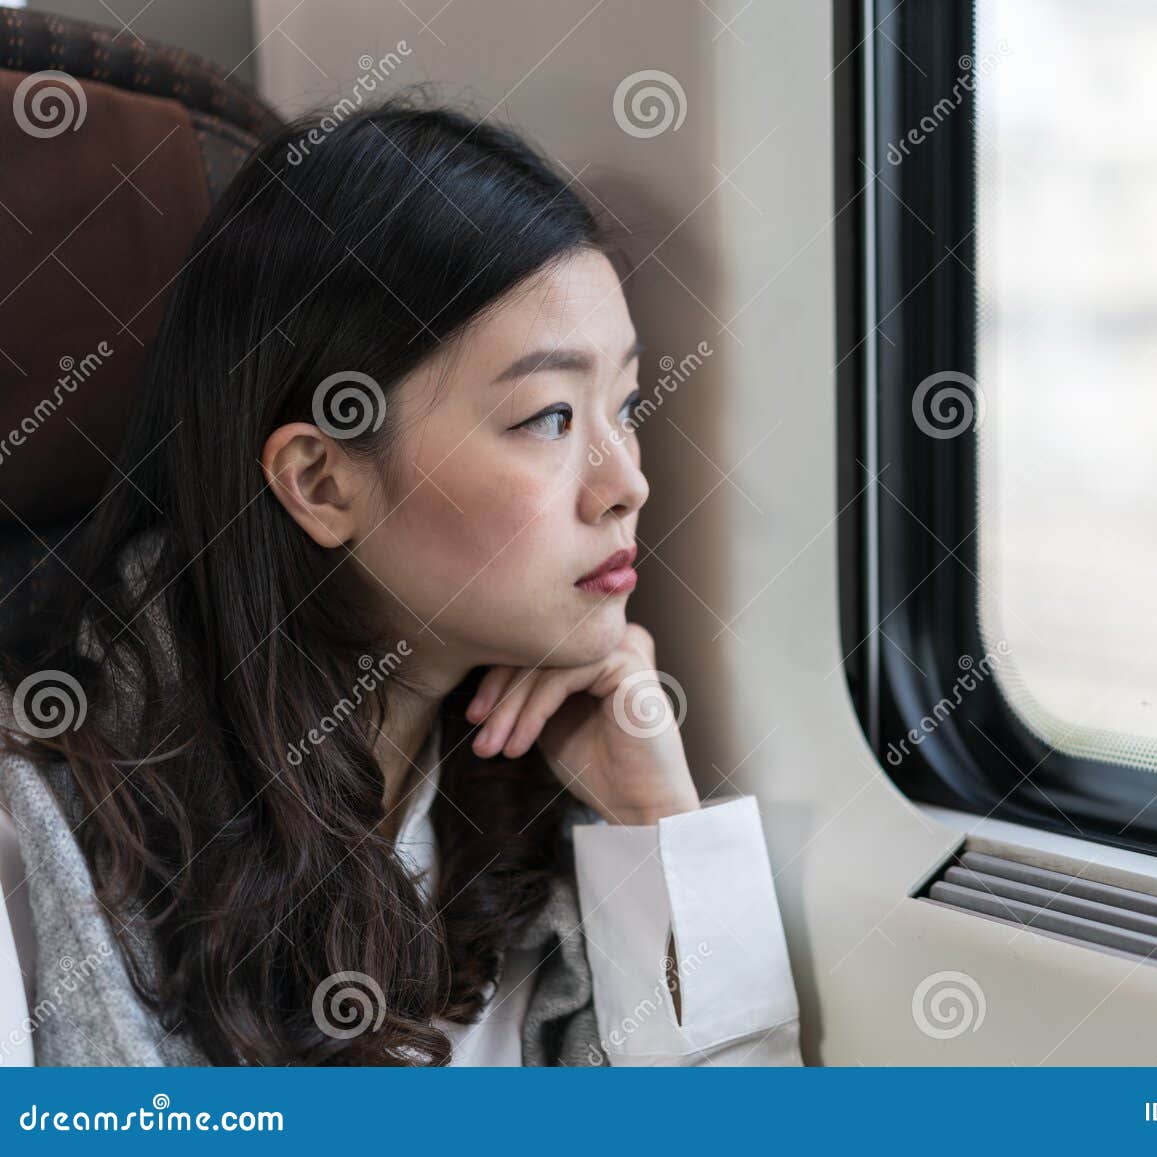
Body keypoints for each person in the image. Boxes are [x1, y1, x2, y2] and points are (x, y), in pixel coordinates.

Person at [0, 99, 799, 1067]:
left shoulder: (537, 810)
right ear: (320, 481)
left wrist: (654, 816)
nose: (627, 481)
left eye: (624, 405)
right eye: (549, 417)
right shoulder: (34, 844)